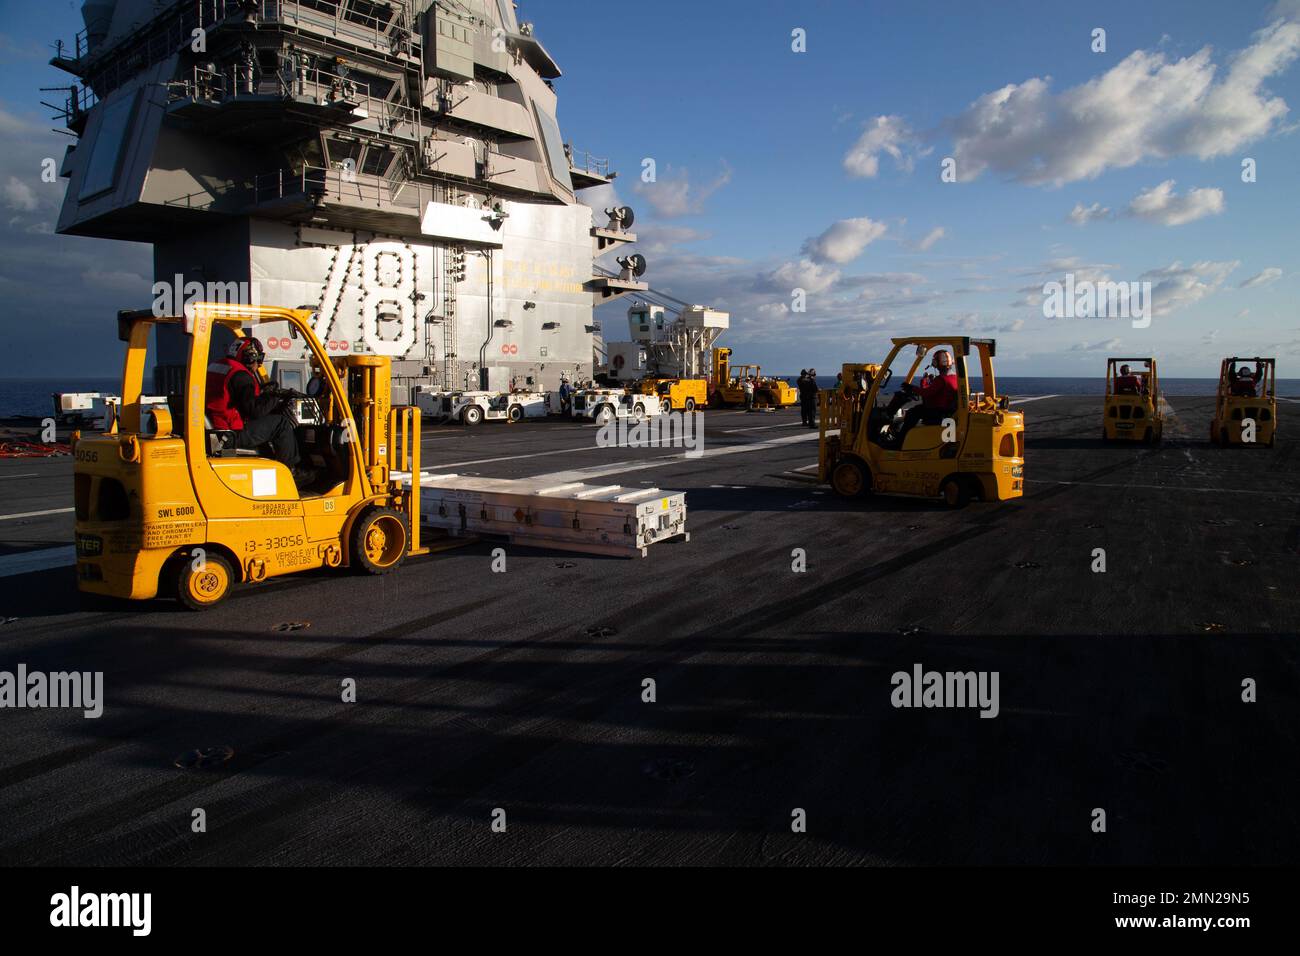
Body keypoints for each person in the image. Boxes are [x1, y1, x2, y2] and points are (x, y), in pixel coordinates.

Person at [205, 336, 313, 486]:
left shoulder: (218, 366)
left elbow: (239, 400)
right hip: (229, 434)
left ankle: (272, 462)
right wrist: (275, 397)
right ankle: (291, 473)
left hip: (216, 429)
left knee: (267, 425)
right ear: (250, 357)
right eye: (259, 359)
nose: (259, 363)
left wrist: (266, 396)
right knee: (280, 423)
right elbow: (255, 411)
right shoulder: (241, 376)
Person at [890, 349, 958, 444]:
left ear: (936, 363)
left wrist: (911, 388)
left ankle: (900, 440)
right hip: (946, 410)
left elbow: (927, 393)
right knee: (917, 410)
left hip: (938, 411)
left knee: (912, 413)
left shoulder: (941, 379)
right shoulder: (955, 378)